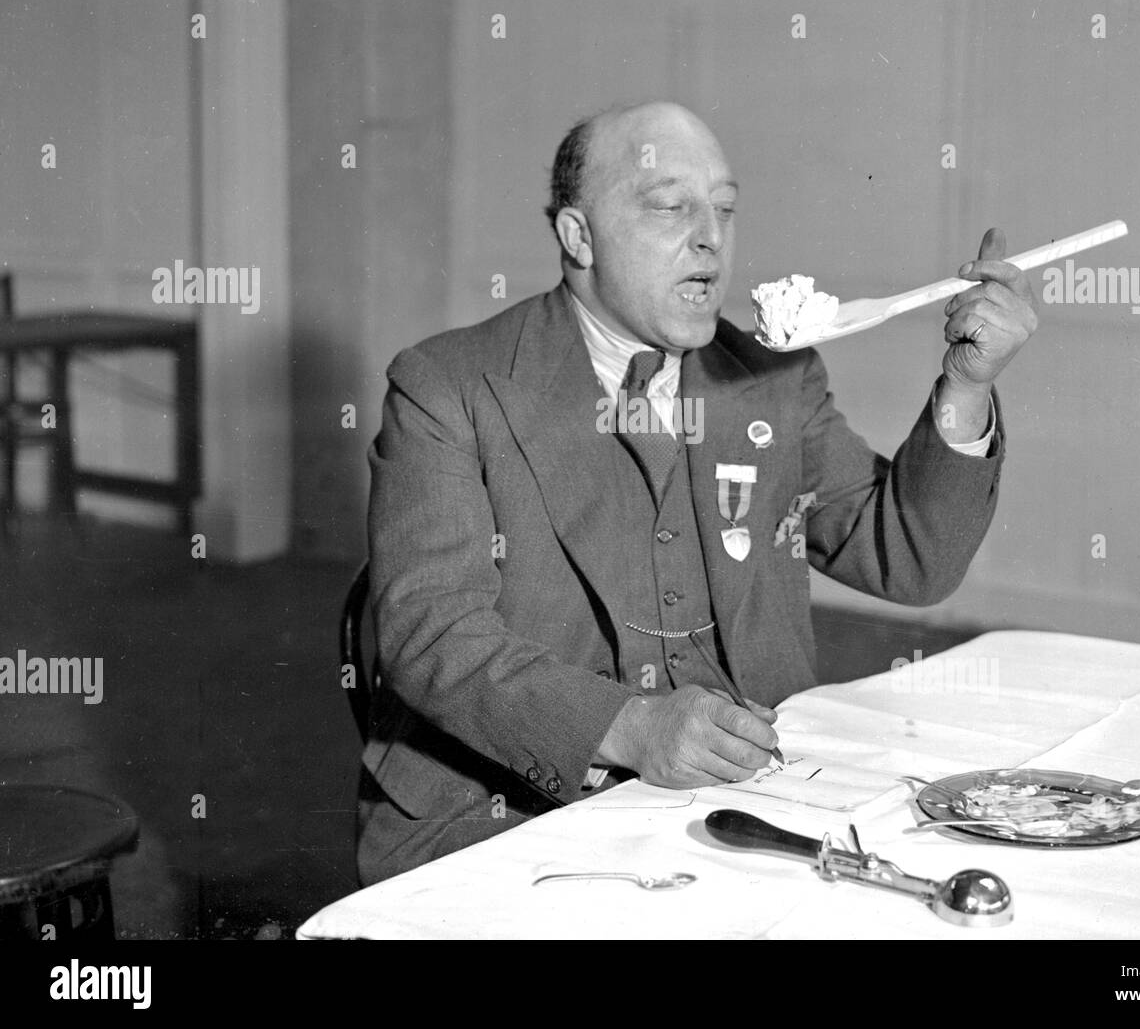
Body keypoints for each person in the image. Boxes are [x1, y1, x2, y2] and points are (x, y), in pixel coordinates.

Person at [356, 101, 1037, 885]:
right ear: (578, 236)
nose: (711, 235)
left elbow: (909, 560)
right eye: (670, 206)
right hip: (502, 814)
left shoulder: (774, 380)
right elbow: (430, 632)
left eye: (724, 207)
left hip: (741, 806)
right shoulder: (448, 387)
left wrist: (965, 384)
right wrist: (629, 727)